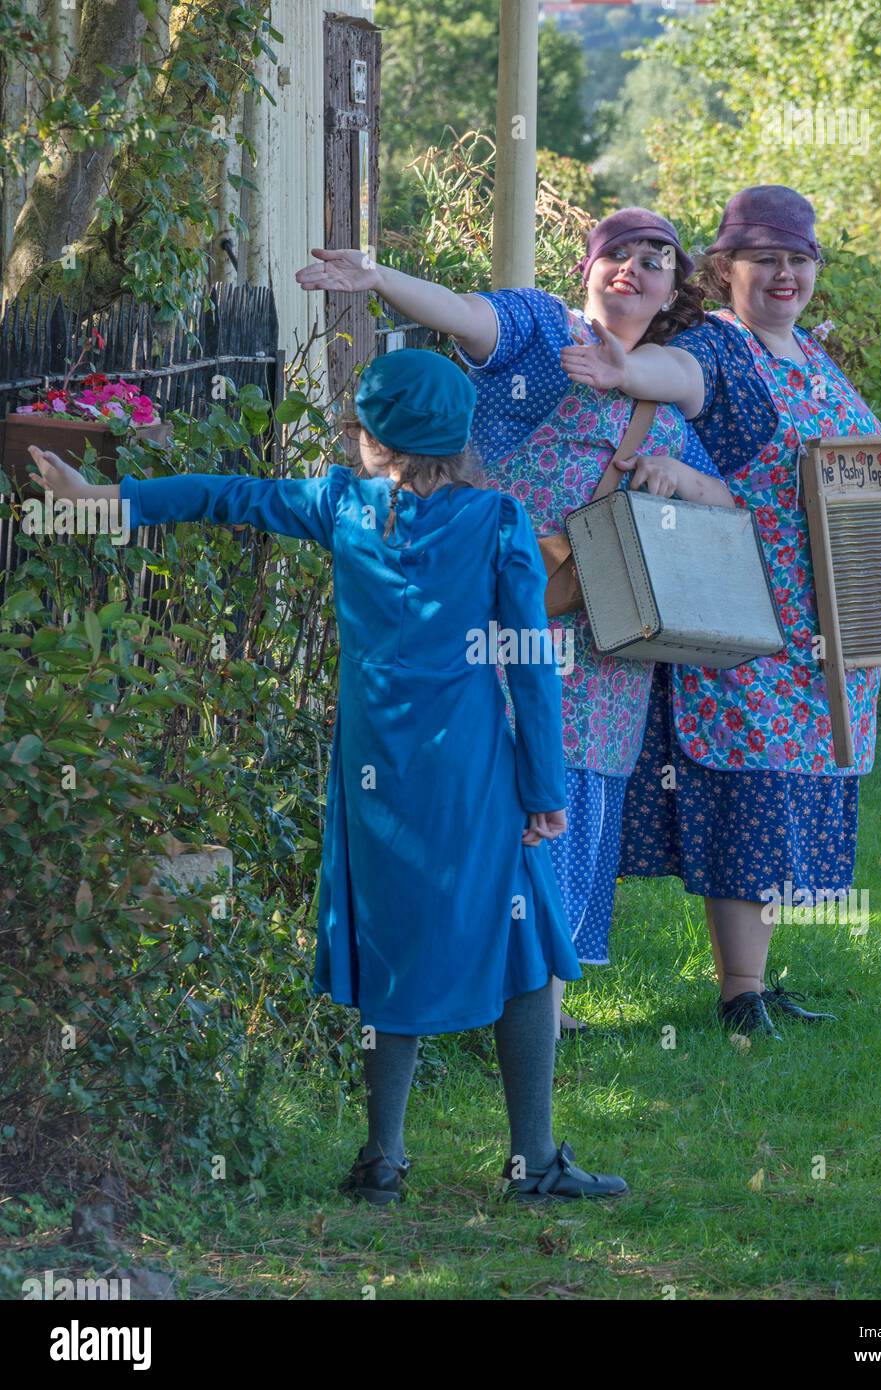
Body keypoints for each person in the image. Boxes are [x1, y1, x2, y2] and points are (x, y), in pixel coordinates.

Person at [25, 348, 627, 1205]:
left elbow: (222, 494)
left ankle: (381, 1159)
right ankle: (533, 1161)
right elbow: (529, 666)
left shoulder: (342, 506)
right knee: (525, 947)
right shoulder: (497, 522)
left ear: (373, 437)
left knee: (387, 936)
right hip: (472, 772)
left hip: (373, 766)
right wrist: (544, 791)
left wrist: (100, 499)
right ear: (457, 436)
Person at [296, 209, 733, 1038]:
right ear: (589, 266)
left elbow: (726, 503)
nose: (633, 270)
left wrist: (676, 473)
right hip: (491, 611)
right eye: (618, 254)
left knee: (566, 800)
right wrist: (379, 278)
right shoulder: (539, 330)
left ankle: (542, 1009)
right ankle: (450, 985)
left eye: (655, 261)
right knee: (486, 793)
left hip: (605, 646)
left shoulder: (665, 400)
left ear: (673, 288)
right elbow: (468, 314)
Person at [561, 186, 881, 1038]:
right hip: (742, 617)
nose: (785, 273)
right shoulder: (718, 352)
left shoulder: (812, 359)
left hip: (825, 627)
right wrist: (621, 369)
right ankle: (736, 993)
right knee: (752, 796)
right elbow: (673, 376)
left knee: (795, 792)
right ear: (726, 269)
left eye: (798, 258)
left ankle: (754, 984)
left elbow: (854, 467)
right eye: (765, 259)